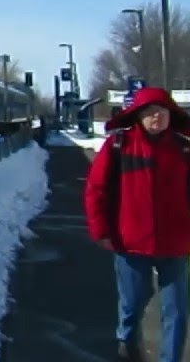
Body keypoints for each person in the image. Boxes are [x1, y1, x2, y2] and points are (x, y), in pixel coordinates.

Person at [84, 86, 190, 362]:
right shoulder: (120, 146)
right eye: (150, 112)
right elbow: (96, 189)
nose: (157, 117)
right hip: (130, 242)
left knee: (177, 310)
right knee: (133, 304)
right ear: (138, 116)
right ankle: (128, 345)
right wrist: (101, 231)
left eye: (162, 111)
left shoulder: (183, 148)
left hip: (175, 243)